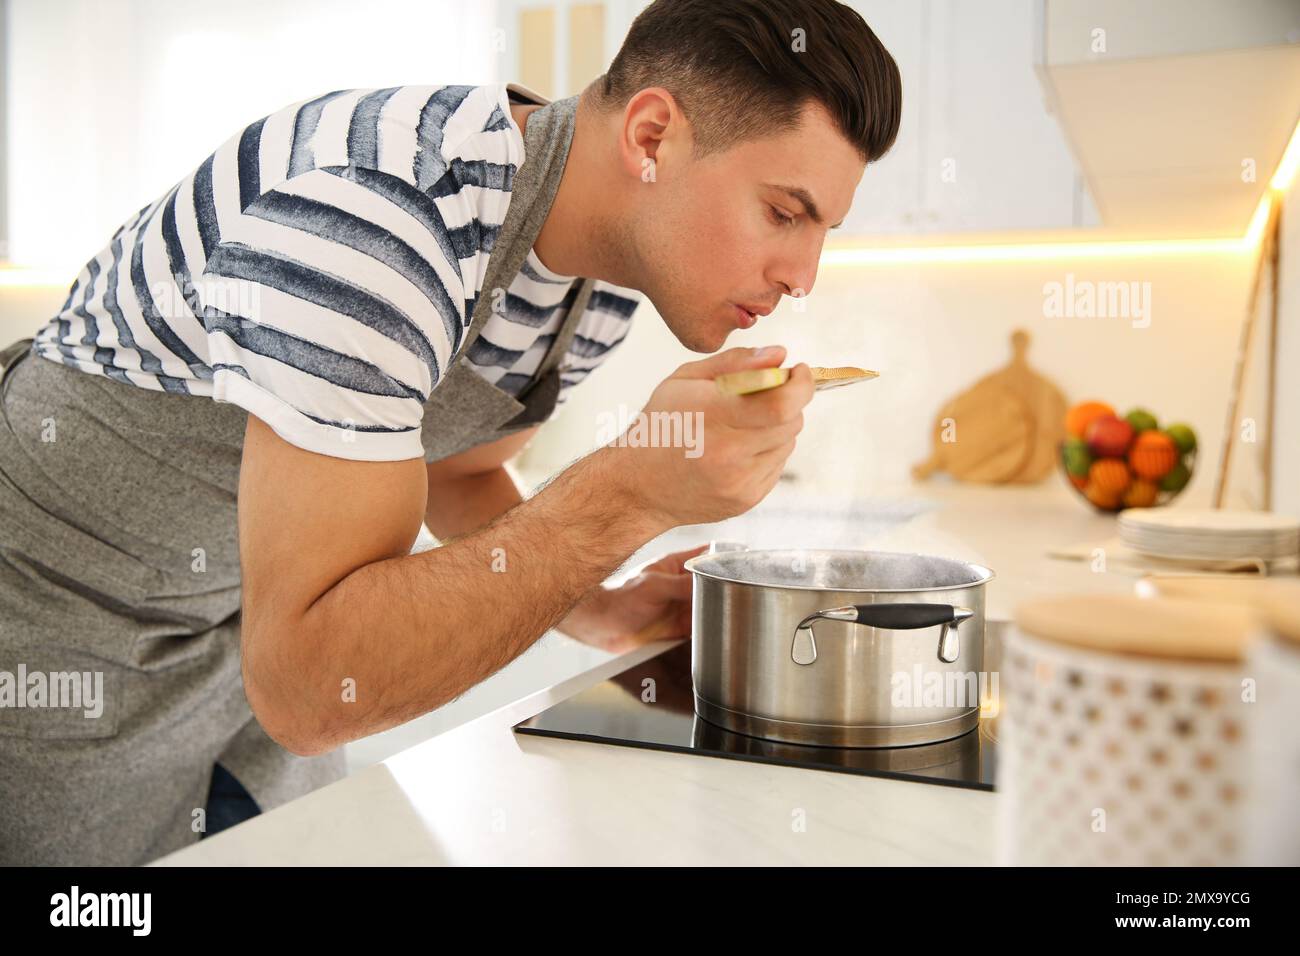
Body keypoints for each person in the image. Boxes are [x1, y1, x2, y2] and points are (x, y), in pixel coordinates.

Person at [0, 0, 901, 864]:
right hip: (58, 645)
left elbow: (461, 474)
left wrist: (601, 604)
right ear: (652, 136)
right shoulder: (374, 217)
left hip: (240, 660)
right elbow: (311, 684)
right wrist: (633, 490)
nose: (804, 276)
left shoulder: (605, 285)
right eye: (785, 213)